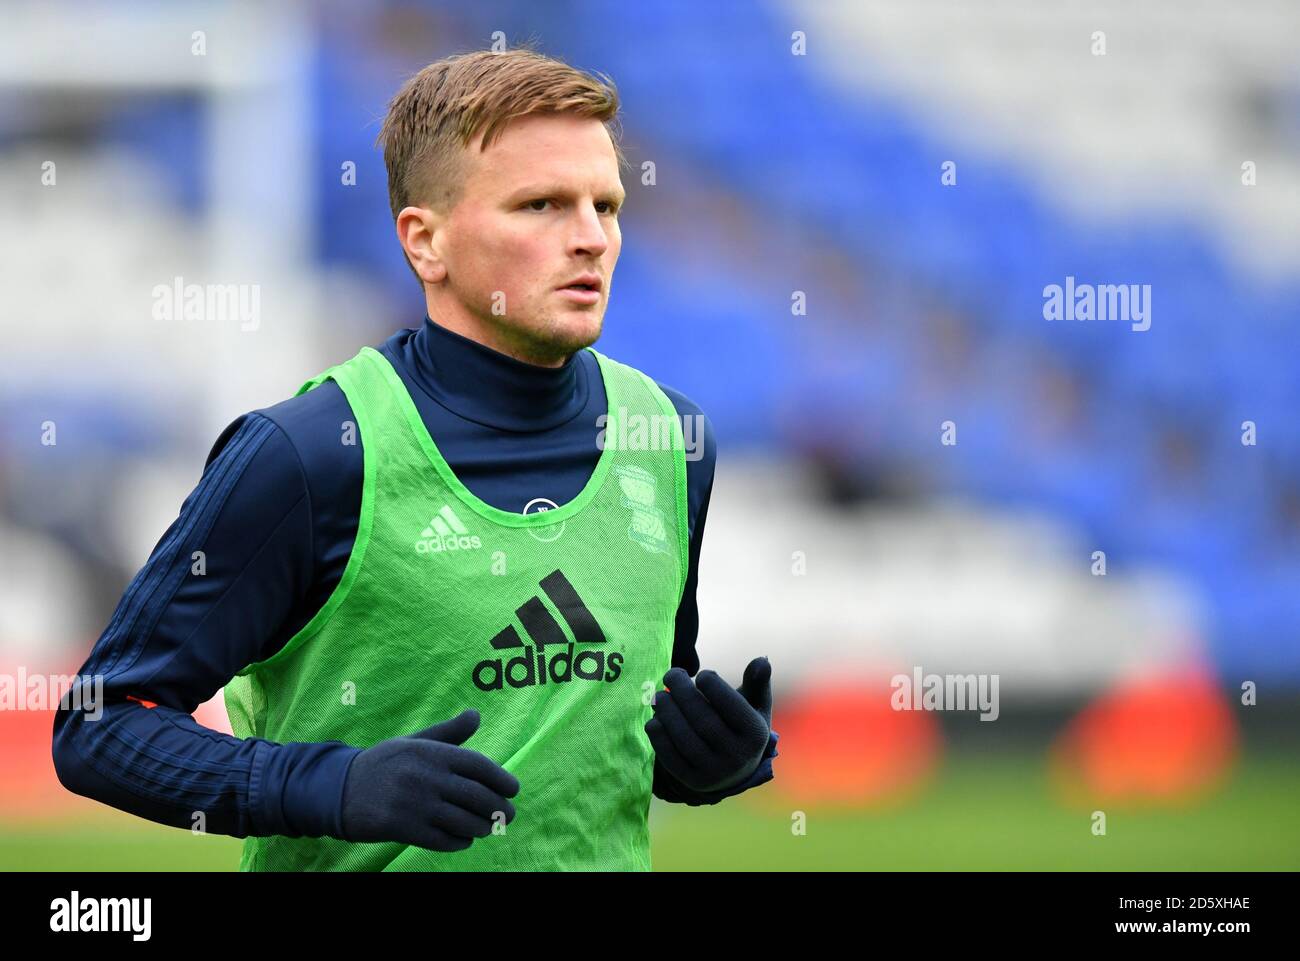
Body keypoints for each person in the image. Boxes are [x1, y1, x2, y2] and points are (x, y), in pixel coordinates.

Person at [52, 47, 778, 871]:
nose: (590, 239)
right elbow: (100, 722)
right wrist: (330, 784)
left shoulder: (672, 440)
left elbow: (608, 728)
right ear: (424, 241)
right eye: (541, 205)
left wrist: (709, 763)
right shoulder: (311, 454)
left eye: (605, 205)